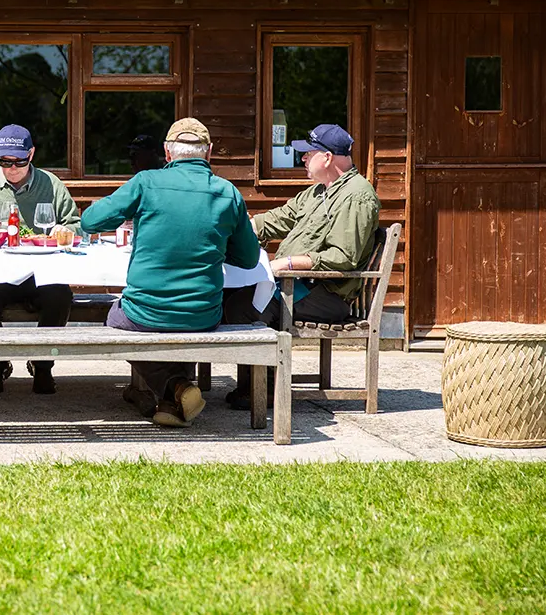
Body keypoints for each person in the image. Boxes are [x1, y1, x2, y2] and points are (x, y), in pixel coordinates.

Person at [82, 118, 260, 427]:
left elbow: (90, 221)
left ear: (167, 152)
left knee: (115, 318)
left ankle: (174, 387)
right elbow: (248, 258)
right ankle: (172, 399)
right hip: (204, 315)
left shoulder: (146, 183)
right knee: (180, 320)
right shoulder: (227, 192)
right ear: (209, 153)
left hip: (144, 314)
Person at [223, 123, 380, 409]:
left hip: (326, 293)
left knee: (244, 308)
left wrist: (290, 262)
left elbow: (344, 257)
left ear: (328, 157)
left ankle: (264, 389)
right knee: (233, 298)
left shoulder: (357, 195)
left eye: (309, 153)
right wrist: (237, 228)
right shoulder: (318, 191)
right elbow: (281, 217)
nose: (303, 158)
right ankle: (255, 386)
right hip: (300, 285)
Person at [0, 124, 81, 395]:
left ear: (32, 154)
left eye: (20, 161)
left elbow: (75, 224)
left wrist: (65, 231)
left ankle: (42, 366)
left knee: (60, 297)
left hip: (40, 271)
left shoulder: (51, 184)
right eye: (5, 161)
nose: (12, 168)